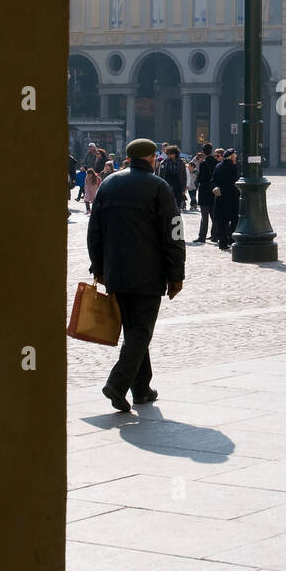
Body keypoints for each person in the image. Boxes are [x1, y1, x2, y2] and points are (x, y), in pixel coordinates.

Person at [87, 137, 185, 412]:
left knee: (133, 330)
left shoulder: (108, 184)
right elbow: (174, 234)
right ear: (152, 158)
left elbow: (94, 230)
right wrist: (176, 274)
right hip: (148, 273)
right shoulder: (159, 187)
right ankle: (117, 384)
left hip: (116, 271)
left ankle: (142, 388)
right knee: (141, 330)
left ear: (129, 158)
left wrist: (99, 267)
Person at [212, 148, 240, 250]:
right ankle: (230, 238)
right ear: (231, 156)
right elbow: (235, 181)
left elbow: (213, 180)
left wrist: (216, 188)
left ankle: (222, 243)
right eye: (235, 155)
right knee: (234, 219)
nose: (236, 157)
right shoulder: (234, 167)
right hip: (231, 197)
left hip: (220, 197)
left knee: (222, 221)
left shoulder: (218, 166)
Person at [193, 142, 217, 244]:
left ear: (203, 152)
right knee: (214, 216)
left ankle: (202, 236)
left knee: (204, 217)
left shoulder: (203, 164)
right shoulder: (216, 162)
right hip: (213, 191)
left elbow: (201, 178)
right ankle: (215, 236)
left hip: (204, 192)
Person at [159, 146, 186, 215]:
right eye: (167, 154)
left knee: (177, 207)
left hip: (178, 187)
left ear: (175, 154)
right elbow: (160, 176)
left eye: (171, 154)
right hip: (167, 187)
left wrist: (183, 189)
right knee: (167, 207)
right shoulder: (164, 163)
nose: (169, 155)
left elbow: (184, 177)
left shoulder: (181, 163)